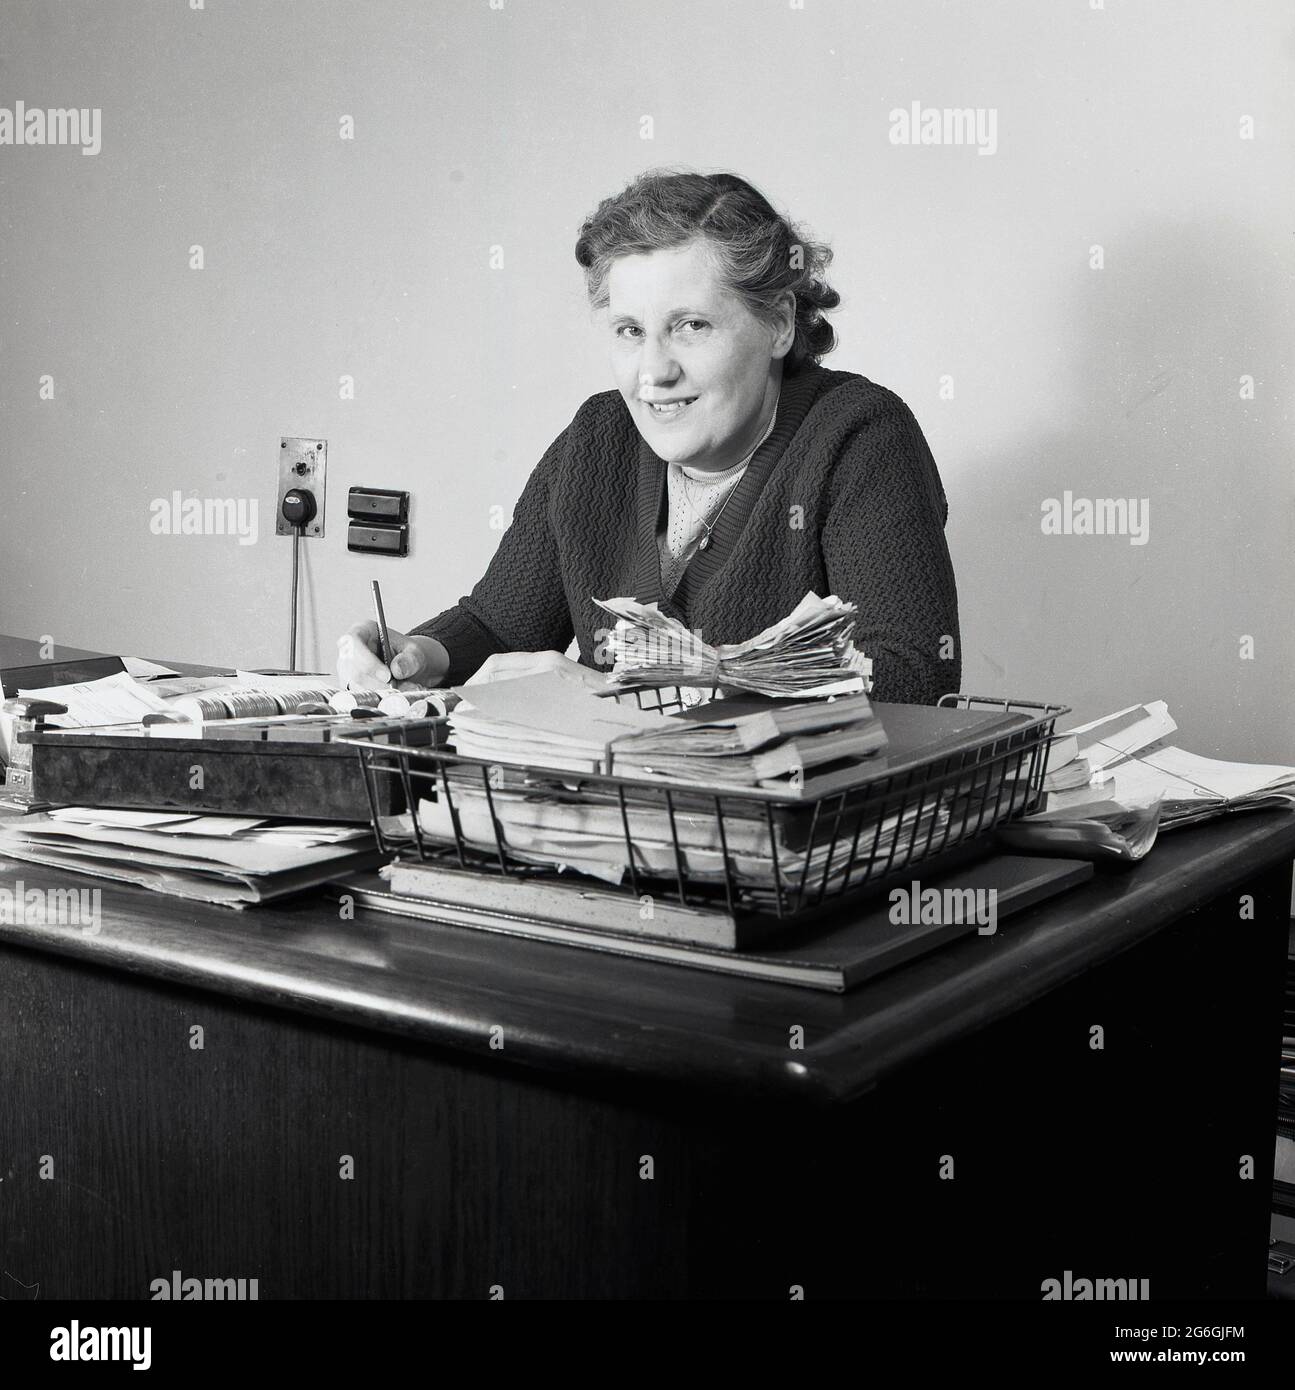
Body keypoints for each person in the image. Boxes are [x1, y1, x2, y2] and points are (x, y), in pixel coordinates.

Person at [338, 169, 960, 704]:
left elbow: (909, 680)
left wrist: (619, 704)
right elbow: (503, 626)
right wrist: (421, 651)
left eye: (690, 326)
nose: (654, 373)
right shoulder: (598, 438)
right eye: (630, 331)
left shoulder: (860, 435)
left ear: (777, 324)